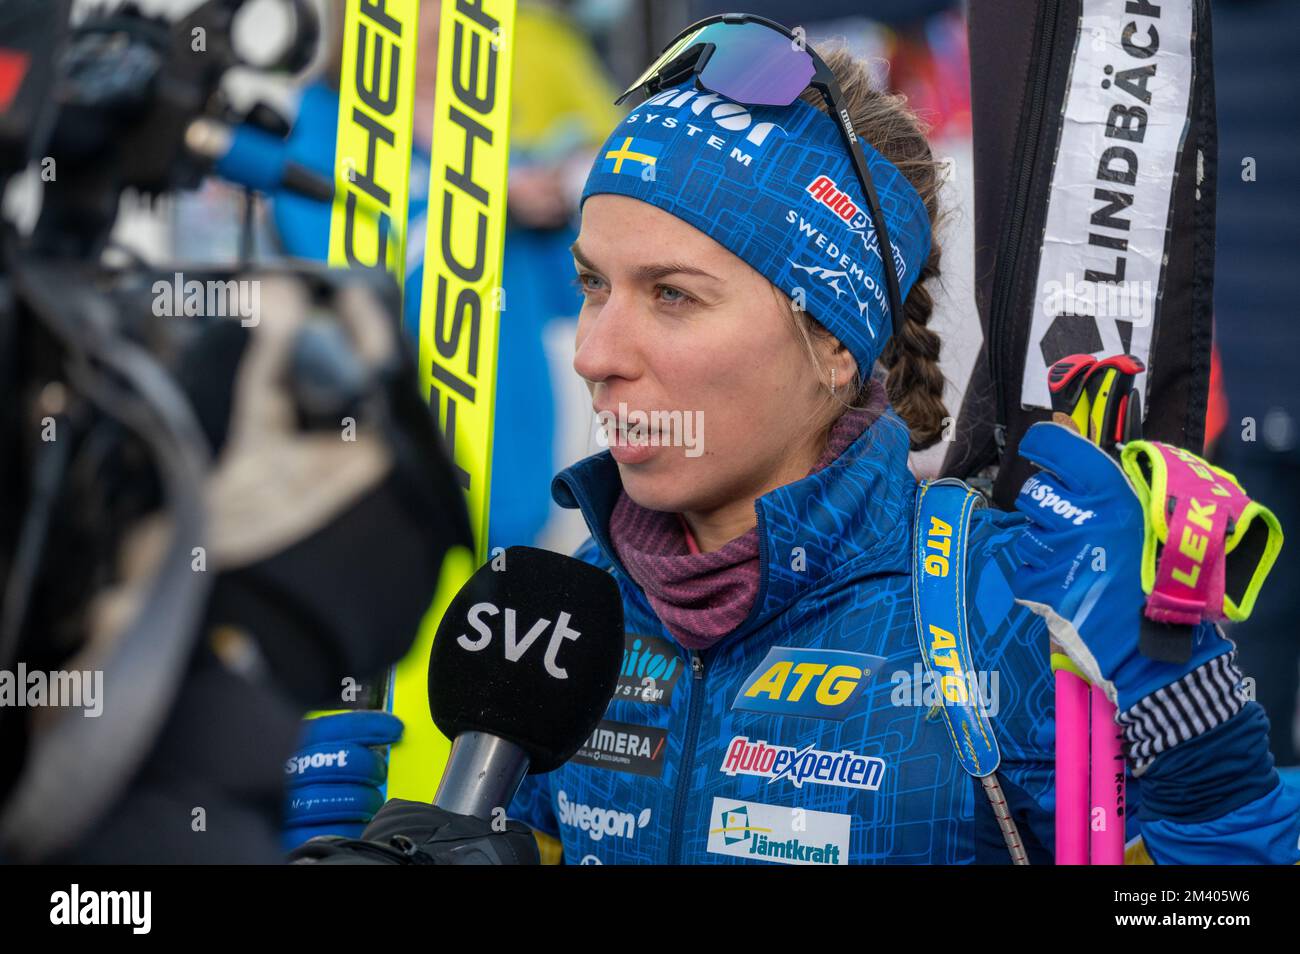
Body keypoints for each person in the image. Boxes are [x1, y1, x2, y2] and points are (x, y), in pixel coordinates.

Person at [504, 16, 1300, 864]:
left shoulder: (1009, 614)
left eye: (671, 295)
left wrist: (1196, 735)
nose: (594, 354)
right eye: (594, 283)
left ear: (836, 342)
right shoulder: (569, 611)